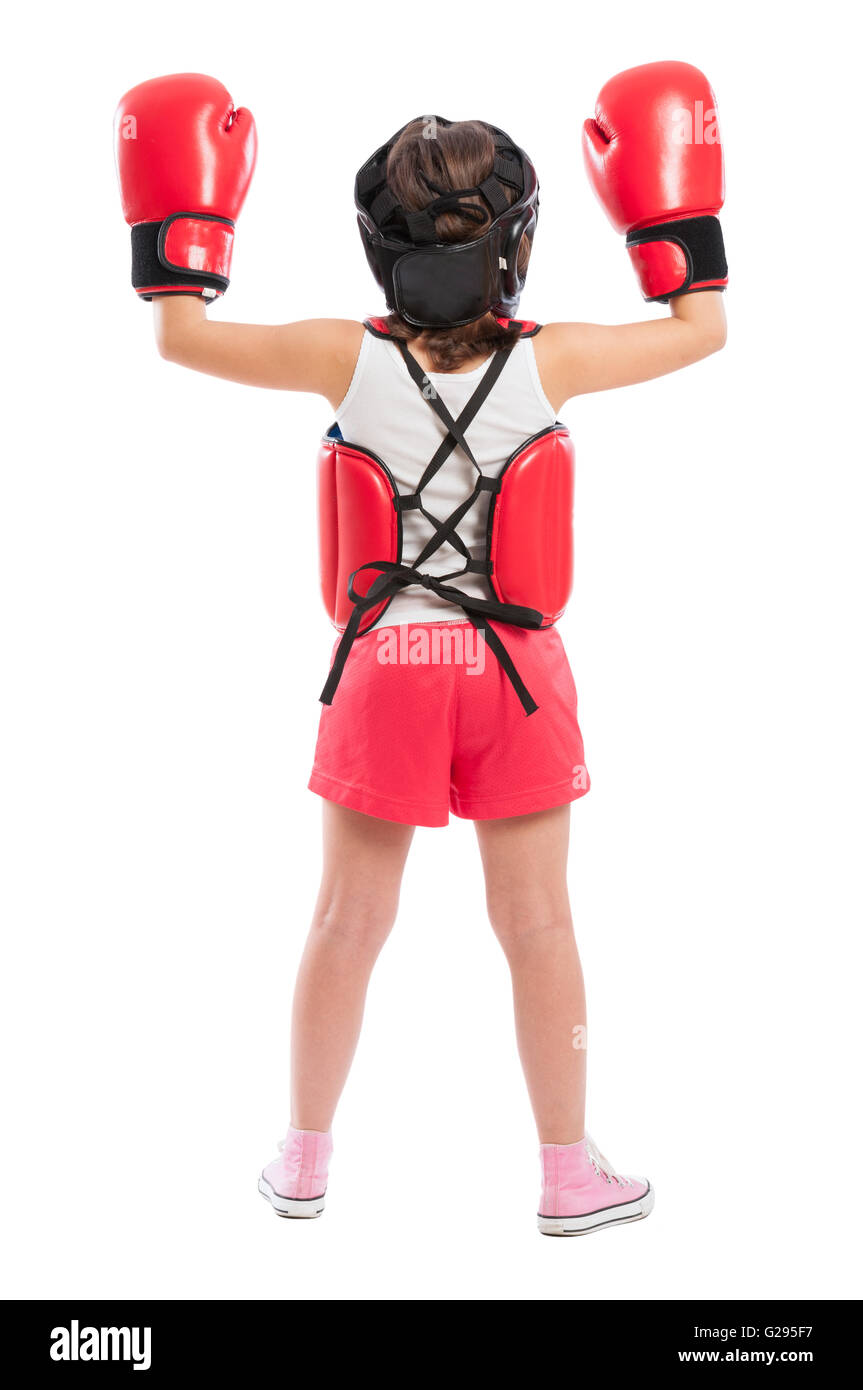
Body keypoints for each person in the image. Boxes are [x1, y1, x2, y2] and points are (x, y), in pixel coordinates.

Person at [114, 62, 727, 1236]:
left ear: (378, 246)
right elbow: (701, 325)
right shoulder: (556, 361)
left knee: (346, 917)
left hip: (385, 671)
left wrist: (177, 233)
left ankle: (300, 1162)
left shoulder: (337, 357)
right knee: (538, 922)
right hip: (516, 679)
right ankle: (565, 1175)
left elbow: (178, 336)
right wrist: (669, 222)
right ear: (515, 243)